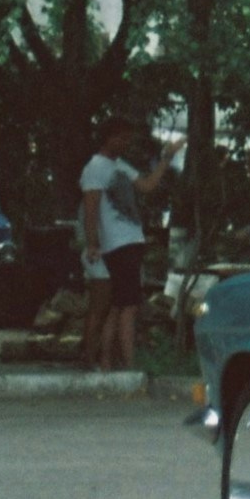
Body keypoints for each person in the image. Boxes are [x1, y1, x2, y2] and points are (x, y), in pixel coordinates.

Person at [77, 116, 179, 371]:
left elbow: (147, 185)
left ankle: (106, 361)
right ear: (108, 137)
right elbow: (91, 209)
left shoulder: (119, 164)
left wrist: (166, 159)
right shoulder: (95, 167)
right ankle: (122, 361)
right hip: (118, 244)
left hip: (130, 241)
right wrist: (92, 243)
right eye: (121, 137)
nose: (125, 143)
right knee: (127, 307)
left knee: (117, 306)